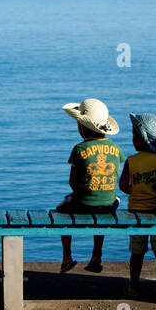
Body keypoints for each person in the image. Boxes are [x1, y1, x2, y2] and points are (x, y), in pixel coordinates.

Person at [57, 98, 125, 274]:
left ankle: (66, 257)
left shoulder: (79, 149)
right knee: (104, 209)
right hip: (109, 204)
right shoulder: (116, 148)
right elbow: (114, 175)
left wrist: (78, 194)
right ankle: (96, 255)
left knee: (62, 210)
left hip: (83, 203)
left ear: (83, 127)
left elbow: (72, 182)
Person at [118, 113, 156, 297]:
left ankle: (133, 285)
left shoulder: (132, 161)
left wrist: (137, 190)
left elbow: (123, 186)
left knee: (137, 252)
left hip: (136, 214)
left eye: (134, 135)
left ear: (139, 140)